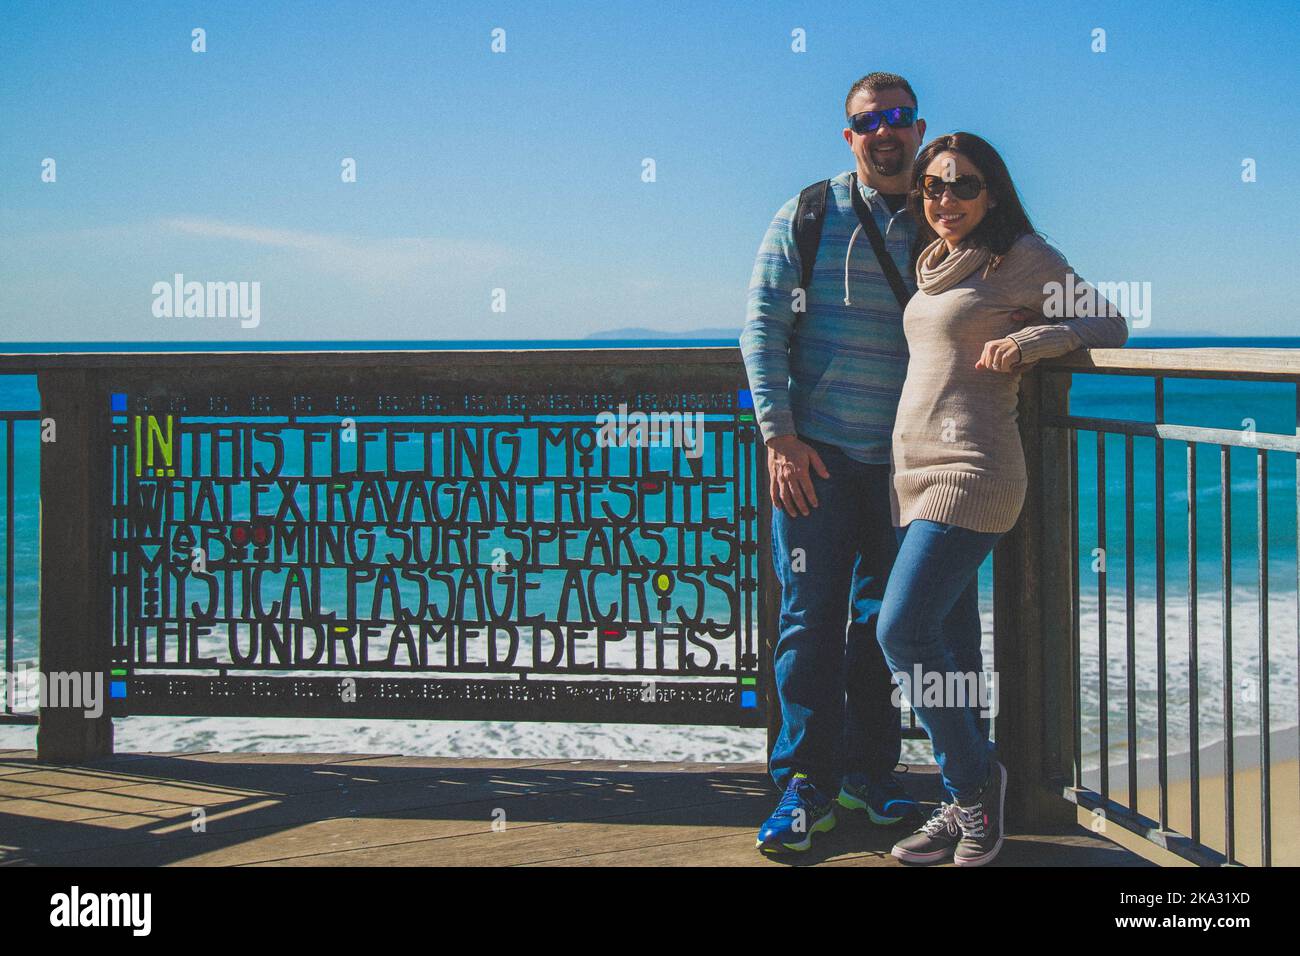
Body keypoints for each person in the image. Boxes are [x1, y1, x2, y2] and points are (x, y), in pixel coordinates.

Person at [880, 132, 1129, 867]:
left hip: (974, 470)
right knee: (950, 646)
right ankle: (966, 803)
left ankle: (973, 784)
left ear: (993, 192)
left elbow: (1109, 322)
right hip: (914, 473)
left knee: (900, 631)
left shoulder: (1017, 255)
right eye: (932, 187)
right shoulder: (933, 264)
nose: (945, 200)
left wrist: (1034, 342)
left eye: (962, 186)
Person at [739, 72, 926, 854]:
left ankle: (869, 775)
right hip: (813, 461)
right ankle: (802, 787)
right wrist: (780, 437)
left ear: (919, 129)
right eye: (867, 120)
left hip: (907, 467)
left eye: (898, 117)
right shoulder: (809, 213)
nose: (884, 131)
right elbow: (760, 324)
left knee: (884, 627)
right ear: (848, 136)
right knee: (807, 627)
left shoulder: (945, 212)